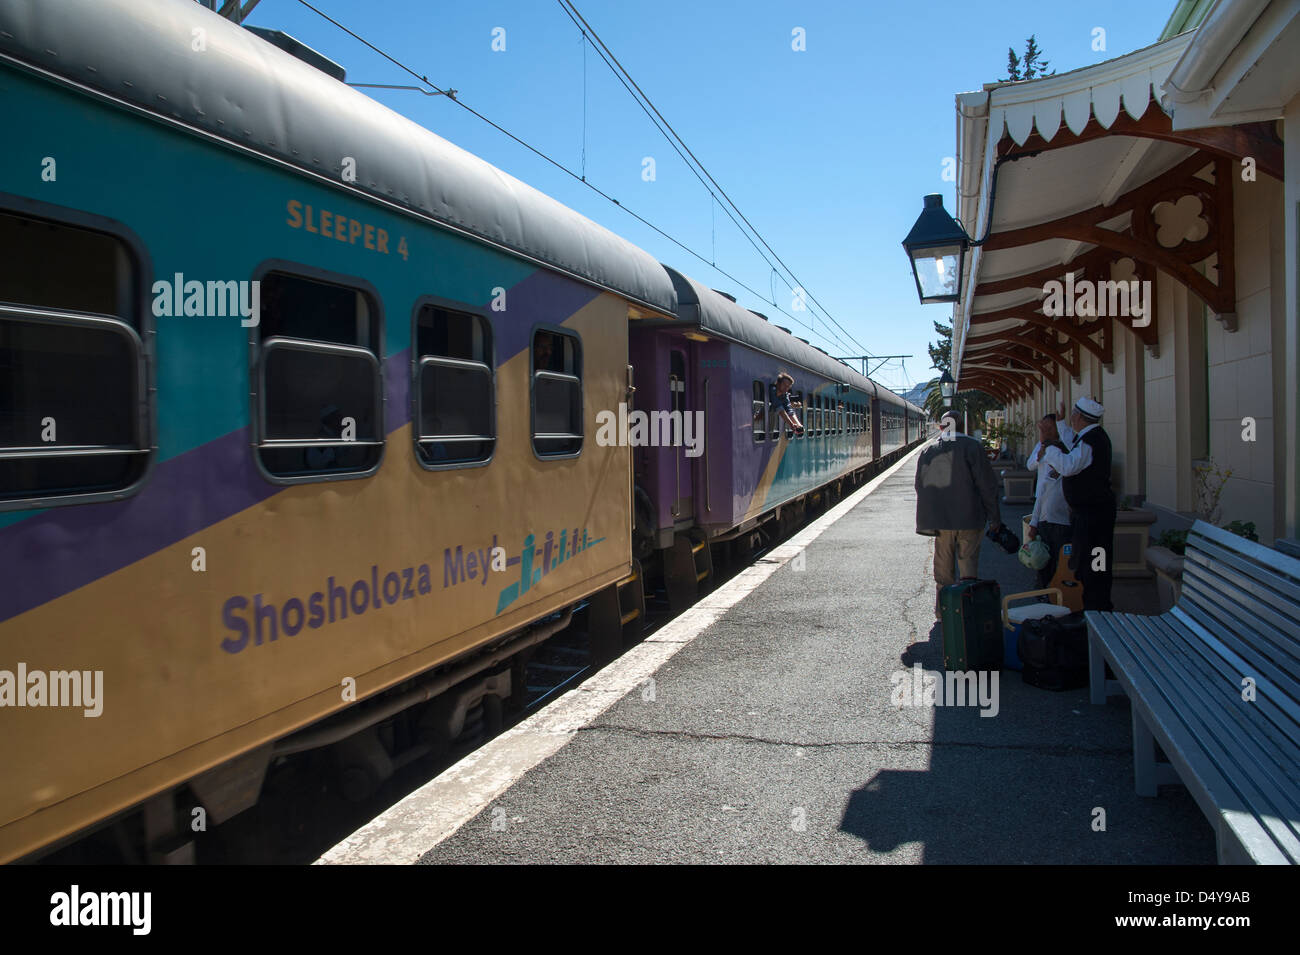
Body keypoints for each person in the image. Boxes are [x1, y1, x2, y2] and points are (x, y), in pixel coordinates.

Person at [915, 412, 1002, 618]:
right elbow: (987, 487)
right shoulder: (973, 448)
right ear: (964, 426)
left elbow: (921, 486)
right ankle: (966, 611)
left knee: (943, 569)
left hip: (941, 521)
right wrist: (995, 518)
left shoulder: (930, 451)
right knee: (968, 567)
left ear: (942, 427)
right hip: (971, 519)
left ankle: (943, 611)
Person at [1037, 396, 1116, 611]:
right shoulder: (1090, 437)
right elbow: (1073, 443)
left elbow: (1069, 465)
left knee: (1095, 562)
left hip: (1093, 517)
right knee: (1089, 560)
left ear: (1079, 416)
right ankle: (1095, 602)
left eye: (1072, 413)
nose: (1071, 416)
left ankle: (1097, 607)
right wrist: (1061, 424)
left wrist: (1047, 444)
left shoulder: (1091, 442)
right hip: (1092, 514)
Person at [1024, 412, 1073, 589]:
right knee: (1044, 561)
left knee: (1060, 562)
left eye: (1048, 428)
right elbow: (1032, 466)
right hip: (1045, 514)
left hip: (1062, 520)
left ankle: (1057, 594)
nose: (1043, 431)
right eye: (1043, 427)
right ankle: (1047, 594)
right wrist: (1034, 522)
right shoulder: (1044, 449)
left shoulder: (1067, 456)